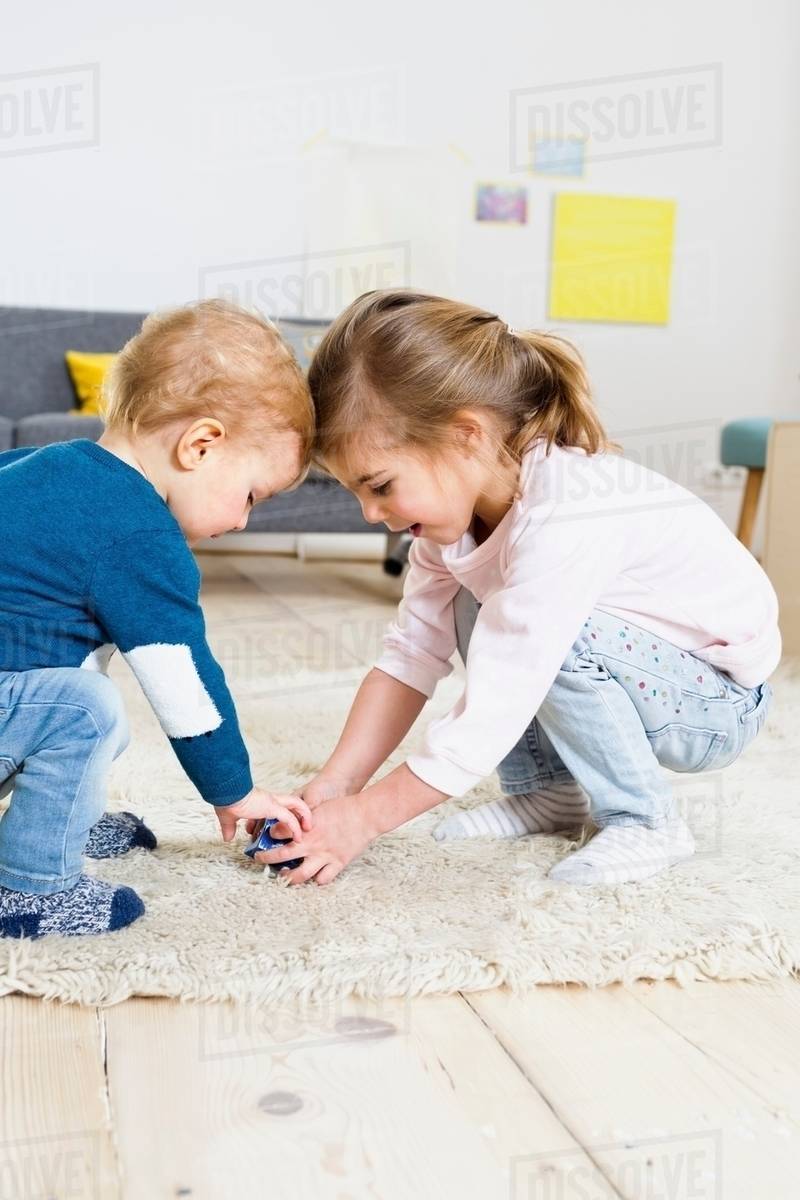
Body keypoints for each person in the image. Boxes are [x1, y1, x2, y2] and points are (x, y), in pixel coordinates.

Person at [253, 289, 779, 888]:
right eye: (357, 494)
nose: (371, 514)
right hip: (649, 671)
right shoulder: (447, 530)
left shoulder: (564, 515)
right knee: (482, 604)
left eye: (380, 485)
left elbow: (500, 701)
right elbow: (408, 658)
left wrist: (365, 820)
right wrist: (335, 788)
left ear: (466, 435)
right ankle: (548, 795)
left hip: (719, 699)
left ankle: (647, 820)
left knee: (551, 633)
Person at [0, 300, 312, 938]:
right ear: (201, 445)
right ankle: (30, 889)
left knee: (79, 700)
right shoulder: (140, 535)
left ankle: (62, 821)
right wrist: (237, 792)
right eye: (250, 495)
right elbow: (184, 684)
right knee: (85, 710)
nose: (243, 520)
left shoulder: (48, 465)